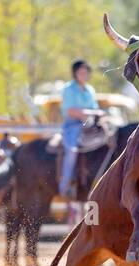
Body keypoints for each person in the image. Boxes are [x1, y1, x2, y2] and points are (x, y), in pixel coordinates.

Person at [58, 60, 106, 199]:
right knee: (72, 151)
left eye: (86, 72)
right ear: (75, 73)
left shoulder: (89, 89)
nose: (84, 75)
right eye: (81, 72)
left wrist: (98, 114)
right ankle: (65, 185)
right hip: (72, 126)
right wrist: (91, 113)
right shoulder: (68, 89)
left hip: (89, 125)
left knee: (106, 143)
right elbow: (71, 111)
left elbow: (95, 108)